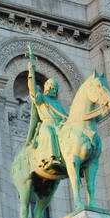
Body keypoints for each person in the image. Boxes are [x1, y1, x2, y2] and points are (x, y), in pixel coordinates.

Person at [25, 46, 68, 175]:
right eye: (52, 86)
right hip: (47, 124)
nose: (54, 89)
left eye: (56, 87)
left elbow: (64, 116)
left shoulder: (57, 103)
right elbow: (33, 91)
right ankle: (51, 159)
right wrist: (31, 73)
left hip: (59, 125)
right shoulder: (41, 99)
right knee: (49, 133)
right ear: (47, 87)